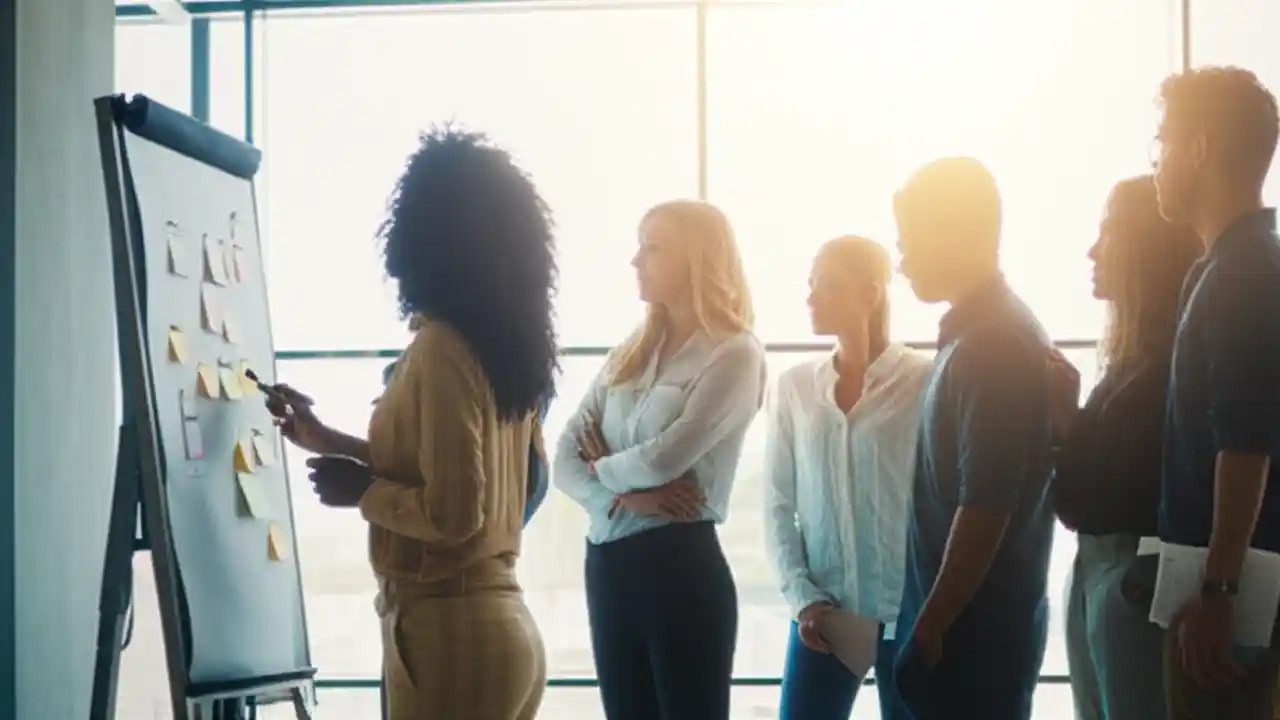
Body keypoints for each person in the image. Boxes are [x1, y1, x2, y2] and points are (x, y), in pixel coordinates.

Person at [264, 128, 556, 720]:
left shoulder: (442, 347)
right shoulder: (505, 349)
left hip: (449, 634)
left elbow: (454, 515)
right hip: (504, 627)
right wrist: (325, 440)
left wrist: (363, 493)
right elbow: (485, 478)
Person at [553, 200, 766, 720]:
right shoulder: (632, 349)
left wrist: (604, 470)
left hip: (680, 567)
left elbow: (666, 459)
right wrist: (623, 496)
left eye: (653, 248)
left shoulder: (735, 353)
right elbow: (563, 459)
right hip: (607, 567)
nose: (636, 261)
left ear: (695, 258)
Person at [889, 157, 1060, 720]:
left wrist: (932, 624)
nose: (901, 261)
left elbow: (986, 503)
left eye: (909, 240)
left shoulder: (993, 345)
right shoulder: (984, 333)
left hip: (970, 641)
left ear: (951, 234)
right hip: (974, 632)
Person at [1151, 66, 1280, 720]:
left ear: (1198, 148)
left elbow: (1246, 444)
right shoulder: (1232, 264)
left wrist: (1219, 591)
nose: (1156, 163)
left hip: (1233, 605)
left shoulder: (1244, 273)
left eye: (1162, 142)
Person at [1052, 175, 1201, 720]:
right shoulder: (1134, 362)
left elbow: (1088, 496)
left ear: (1147, 247)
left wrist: (1069, 422)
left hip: (1132, 582)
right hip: (1105, 574)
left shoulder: (1163, 367)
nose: (1093, 251)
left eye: (1109, 231)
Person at [764, 236, 931, 720]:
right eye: (811, 284)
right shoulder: (794, 388)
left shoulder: (924, 379)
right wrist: (803, 600)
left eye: (829, 285)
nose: (811, 297)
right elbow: (777, 504)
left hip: (907, 614)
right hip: (826, 615)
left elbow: (942, 498)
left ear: (871, 293)